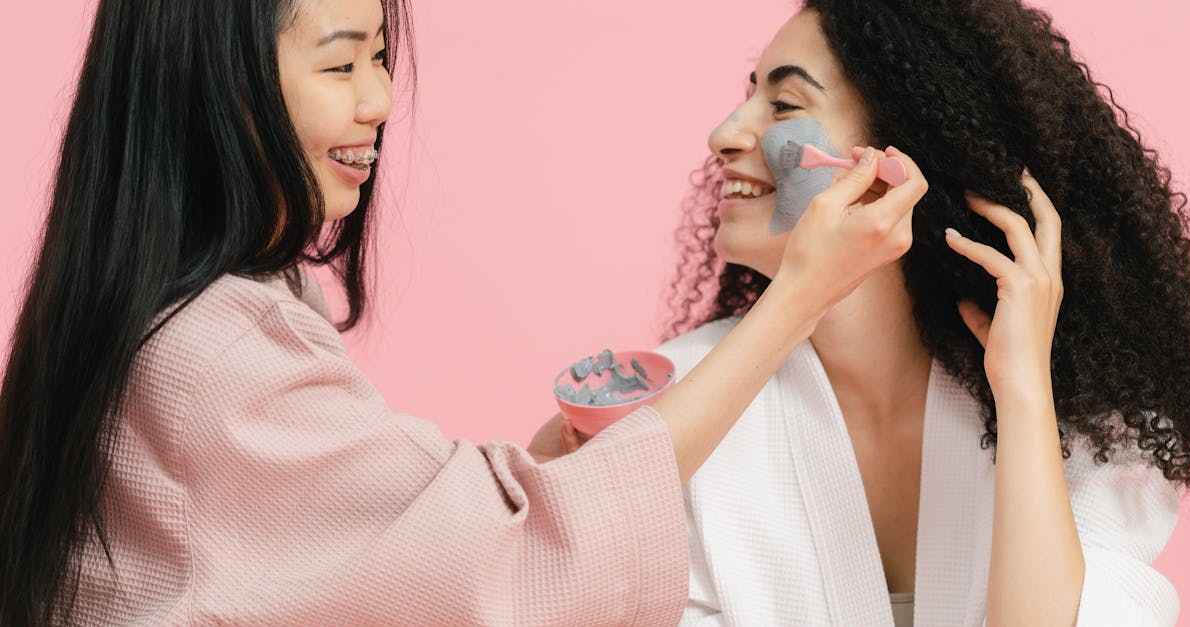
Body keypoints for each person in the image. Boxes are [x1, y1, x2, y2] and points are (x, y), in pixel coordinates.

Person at [0, 0, 928, 624]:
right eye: (340, 64)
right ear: (213, 84)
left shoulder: (205, 316)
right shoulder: (211, 352)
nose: (381, 100)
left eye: (378, 57)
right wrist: (798, 296)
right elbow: (492, 565)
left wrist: (541, 474)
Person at [656, 2, 1190, 625]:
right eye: (749, 97)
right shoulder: (670, 404)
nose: (723, 134)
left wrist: (1024, 395)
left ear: (901, 161)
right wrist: (800, 295)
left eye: (784, 107)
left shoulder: (1096, 419)